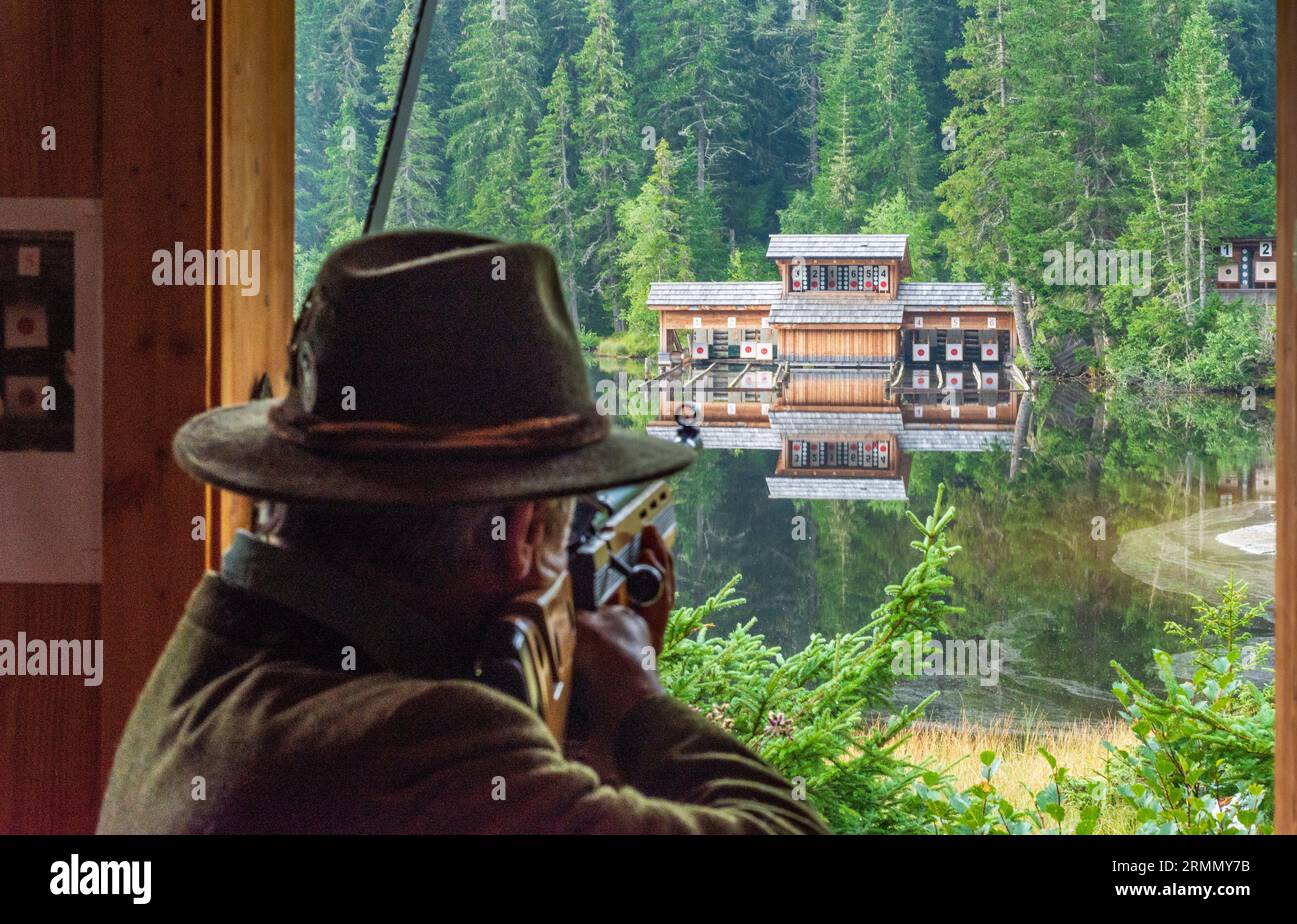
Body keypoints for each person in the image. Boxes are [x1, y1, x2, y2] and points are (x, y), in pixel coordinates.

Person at [97, 230, 827, 834]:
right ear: (515, 535)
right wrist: (638, 700)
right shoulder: (417, 741)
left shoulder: (214, 658)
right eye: (557, 529)